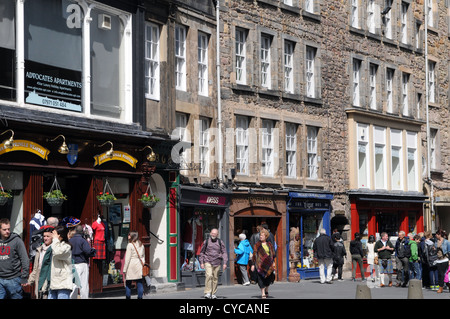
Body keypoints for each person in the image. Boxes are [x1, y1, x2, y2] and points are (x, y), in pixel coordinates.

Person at [0, 218, 30, 299]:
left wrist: (24, 277)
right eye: (4, 229)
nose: (7, 231)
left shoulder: (16, 240)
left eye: (8, 229)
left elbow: (25, 259)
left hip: (13, 278)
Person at [26, 226, 54, 299]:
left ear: (53, 237)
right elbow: (36, 268)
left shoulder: (54, 250)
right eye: (44, 236)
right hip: (39, 282)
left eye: (48, 236)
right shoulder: (39, 249)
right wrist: (30, 281)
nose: (45, 238)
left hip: (50, 282)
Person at [199, 228, 228, 299]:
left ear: (217, 234)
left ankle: (213, 293)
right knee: (209, 275)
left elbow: (224, 252)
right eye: (212, 233)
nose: (213, 235)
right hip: (208, 261)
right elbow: (202, 252)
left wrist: (225, 263)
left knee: (215, 278)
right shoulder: (206, 241)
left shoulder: (220, 242)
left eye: (215, 234)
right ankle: (207, 292)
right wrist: (201, 262)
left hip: (217, 262)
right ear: (210, 233)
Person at [69, 224, 96, 299]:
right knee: (83, 284)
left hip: (72, 264)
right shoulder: (83, 241)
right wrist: (93, 250)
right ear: (82, 231)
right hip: (82, 263)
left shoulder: (70, 240)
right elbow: (88, 251)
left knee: (73, 284)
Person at [47, 225, 73, 299]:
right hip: (53, 283)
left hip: (63, 283)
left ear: (60, 235)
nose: (53, 236)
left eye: (54, 234)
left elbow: (57, 252)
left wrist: (55, 239)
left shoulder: (67, 246)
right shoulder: (54, 245)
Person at [251, 228, 275, 298]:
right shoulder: (257, 245)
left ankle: (266, 289)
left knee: (268, 278)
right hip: (260, 264)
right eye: (260, 235)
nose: (260, 237)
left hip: (268, 264)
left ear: (266, 236)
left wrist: (273, 262)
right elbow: (254, 255)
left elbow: (272, 254)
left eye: (262, 235)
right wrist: (252, 264)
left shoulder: (269, 244)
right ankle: (263, 293)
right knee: (260, 279)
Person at [123, 231, 145, 299]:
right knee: (139, 283)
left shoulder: (130, 245)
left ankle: (128, 297)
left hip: (131, 265)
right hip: (139, 265)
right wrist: (143, 264)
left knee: (128, 283)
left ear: (133, 236)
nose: (128, 236)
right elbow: (143, 256)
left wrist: (124, 269)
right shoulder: (141, 244)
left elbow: (127, 259)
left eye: (129, 235)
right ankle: (140, 297)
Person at [434, 229, 449, 293]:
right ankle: (445, 285)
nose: (436, 236)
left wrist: (449, 260)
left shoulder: (446, 242)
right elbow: (435, 249)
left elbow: (449, 251)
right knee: (439, 274)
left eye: (437, 235)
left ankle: (441, 287)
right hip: (438, 259)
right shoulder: (436, 241)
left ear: (439, 235)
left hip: (445, 259)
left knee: (442, 273)